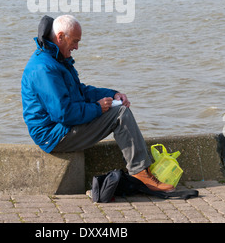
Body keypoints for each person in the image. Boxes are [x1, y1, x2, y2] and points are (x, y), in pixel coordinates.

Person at [21, 14, 174, 192]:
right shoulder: (44, 68)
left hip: (61, 127)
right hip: (53, 136)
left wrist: (113, 94)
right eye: (75, 41)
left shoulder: (55, 59)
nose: (77, 47)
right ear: (60, 36)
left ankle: (142, 171)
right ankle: (140, 173)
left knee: (119, 109)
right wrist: (98, 108)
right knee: (120, 115)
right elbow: (63, 113)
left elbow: (81, 91)